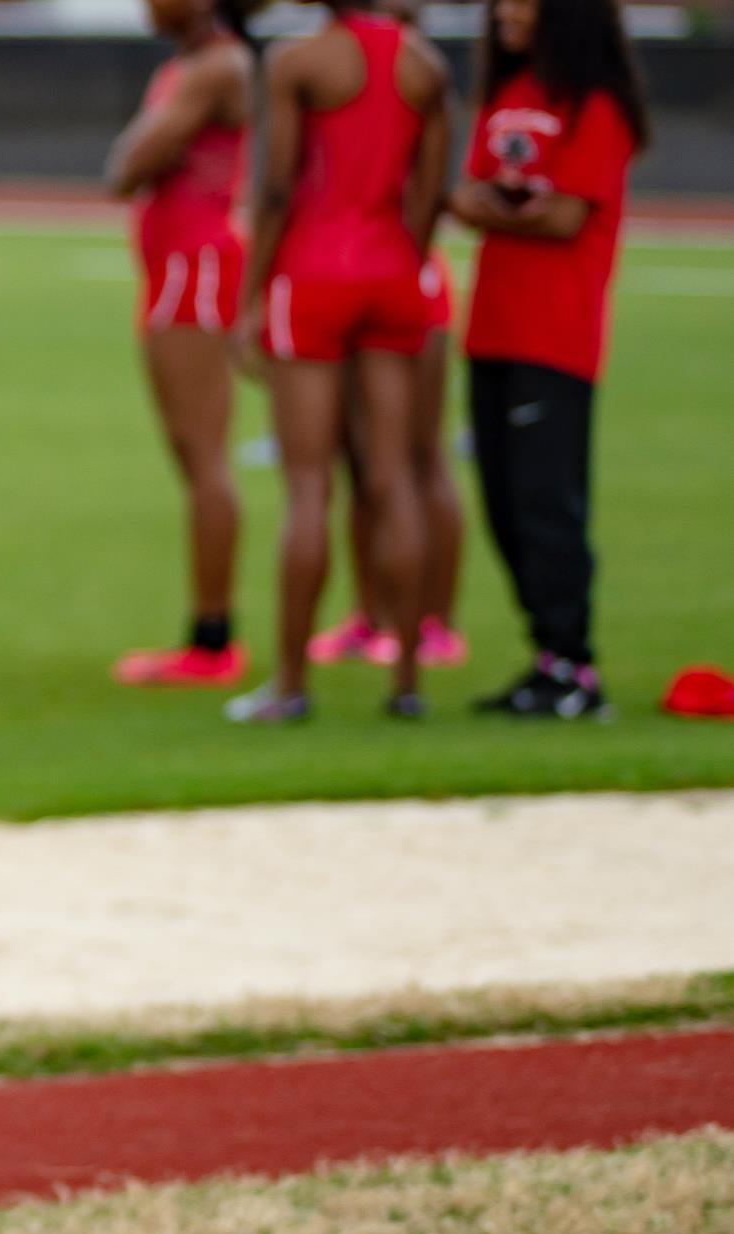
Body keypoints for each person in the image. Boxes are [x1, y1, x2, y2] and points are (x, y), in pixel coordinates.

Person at [228, 0, 447, 723]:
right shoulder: (425, 65)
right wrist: (403, 260)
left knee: (308, 486)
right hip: (392, 269)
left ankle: (290, 684)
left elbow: (277, 185)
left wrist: (250, 295)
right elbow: (429, 189)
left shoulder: (297, 60)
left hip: (314, 270)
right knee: (394, 477)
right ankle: (408, 679)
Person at [449, 0, 647, 720]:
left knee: (546, 505)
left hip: (556, 334)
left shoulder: (594, 104)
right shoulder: (506, 94)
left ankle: (574, 668)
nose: (504, 12)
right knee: (502, 504)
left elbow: (565, 217)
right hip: (491, 329)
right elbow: (469, 196)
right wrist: (516, 208)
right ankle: (547, 659)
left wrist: (503, 208)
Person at [309, 0, 468, 674]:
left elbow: (433, 190)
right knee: (360, 462)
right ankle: (369, 613)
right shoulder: (341, 66)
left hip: (404, 279)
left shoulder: (419, 75)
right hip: (362, 275)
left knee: (417, 456)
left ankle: (432, 623)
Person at [106, 0, 255, 688]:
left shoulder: (216, 64)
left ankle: (212, 639)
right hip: (176, 269)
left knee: (202, 456)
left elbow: (128, 163)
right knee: (194, 455)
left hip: (191, 271)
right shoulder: (193, 63)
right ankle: (209, 633)